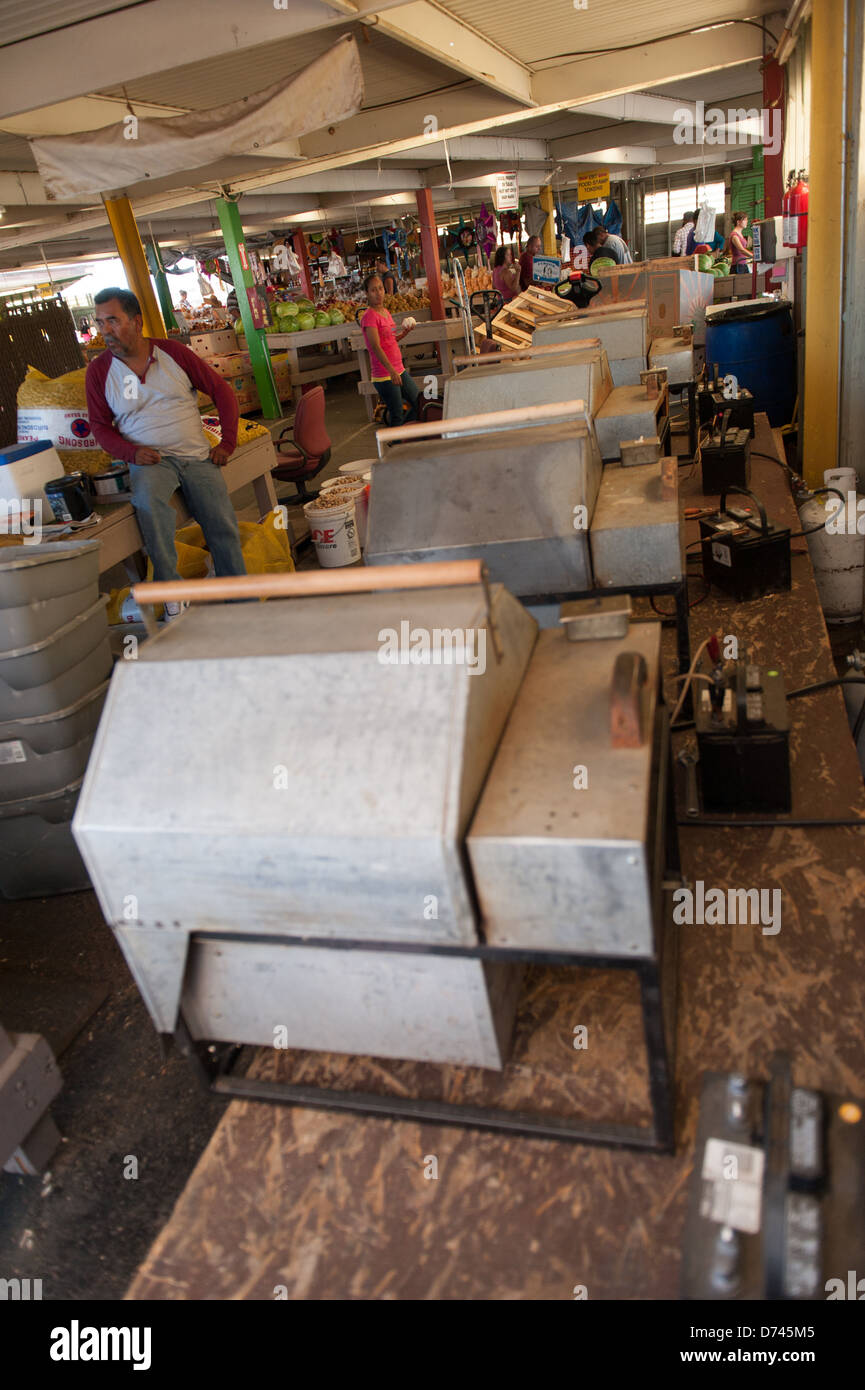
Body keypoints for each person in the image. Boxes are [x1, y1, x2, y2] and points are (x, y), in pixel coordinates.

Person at [86, 288, 246, 608]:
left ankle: (240, 600)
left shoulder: (173, 353)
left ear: (136, 321)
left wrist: (227, 442)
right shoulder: (100, 371)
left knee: (221, 522)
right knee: (150, 506)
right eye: (100, 323)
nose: (106, 331)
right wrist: (131, 454)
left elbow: (221, 391)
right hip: (150, 460)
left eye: (113, 321)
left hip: (196, 454)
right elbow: (100, 427)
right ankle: (172, 599)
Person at [360, 273, 419, 427]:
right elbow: (375, 346)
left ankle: (402, 437)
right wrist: (391, 371)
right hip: (385, 375)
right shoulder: (369, 317)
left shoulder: (385, 312)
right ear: (366, 293)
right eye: (373, 290)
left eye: (380, 288)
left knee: (419, 401)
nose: (378, 293)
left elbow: (390, 340)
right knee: (396, 413)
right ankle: (397, 444)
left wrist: (404, 333)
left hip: (398, 369)